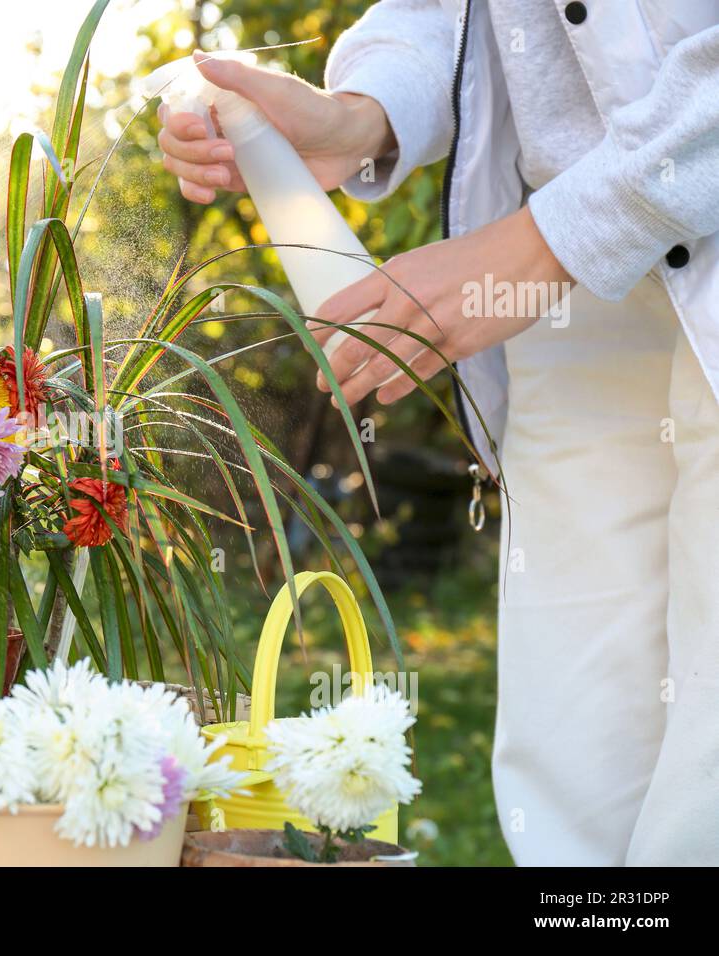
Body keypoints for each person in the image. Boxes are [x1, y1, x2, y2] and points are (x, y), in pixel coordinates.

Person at [157, 0, 719, 866]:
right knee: (578, 751)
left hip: (624, 233)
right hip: (578, 306)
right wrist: (362, 113)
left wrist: (545, 244)